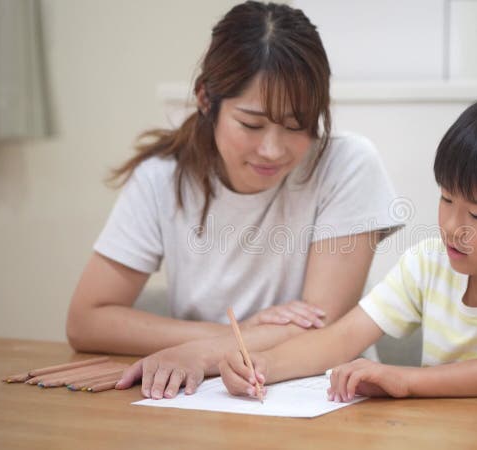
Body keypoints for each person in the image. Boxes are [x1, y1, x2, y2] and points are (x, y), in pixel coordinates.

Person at [65, 1, 403, 399]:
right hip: (208, 398)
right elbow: (86, 320)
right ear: (206, 99)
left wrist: (202, 352)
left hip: (328, 396)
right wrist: (237, 335)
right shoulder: (161, 178)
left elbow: (320, 328)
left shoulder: (346, 164)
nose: (273, 150)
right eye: (252, 124)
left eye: (297, 125)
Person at [219, 92, 477, 401]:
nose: (452, 227)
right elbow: (341, 338)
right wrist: (263, 364)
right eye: (447, 200)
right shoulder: (428, 263)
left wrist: (409, 381)